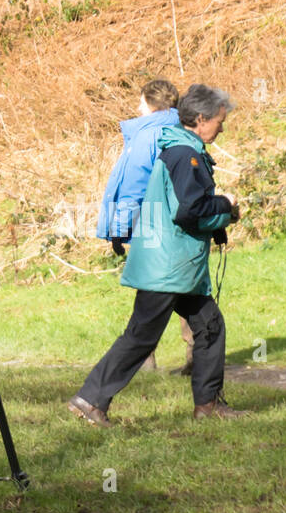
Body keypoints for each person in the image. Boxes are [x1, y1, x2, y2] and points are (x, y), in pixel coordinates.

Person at [68, 83, 244, 425]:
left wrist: (218, 215)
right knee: (142, 335)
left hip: (175, 263)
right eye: (220, 121)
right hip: (167, 264)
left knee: (209, 326)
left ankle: (208, 406)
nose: (222, 127)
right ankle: (90, 400)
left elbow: (185, 205)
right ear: (202, 118)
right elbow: (189, 210)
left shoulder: (184, 148)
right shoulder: (184, 154)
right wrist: (226, 206)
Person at [98, 79, 194, 373]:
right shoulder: (179, 129)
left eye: (140, 101)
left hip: (151, 219)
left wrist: (118, 229)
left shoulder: (147, 135)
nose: (137, 107)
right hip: (177, 218)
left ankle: (144, 358)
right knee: (184, 285)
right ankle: (195, 356)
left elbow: (134, 187)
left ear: (151, 104)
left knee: (151, 288)